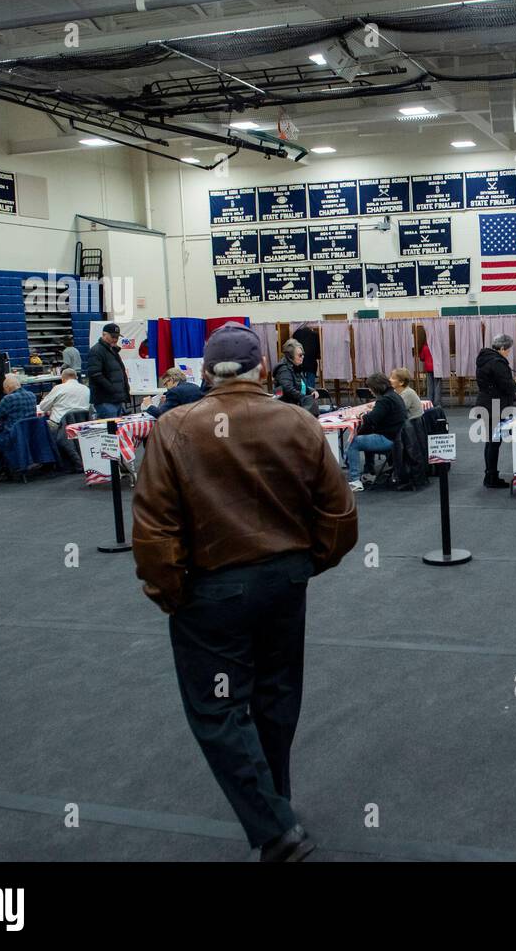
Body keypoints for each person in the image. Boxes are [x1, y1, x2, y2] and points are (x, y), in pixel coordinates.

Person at [132, 322, 358, 862]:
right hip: (283, 583)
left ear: (206, 373)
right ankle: (277, 807)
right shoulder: (299, 422)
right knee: (276, 698)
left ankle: (275, 829)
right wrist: (305, 564)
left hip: (211, 590)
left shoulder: (175, 427)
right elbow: (340, 511)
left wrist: (171, 592)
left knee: (218, 708)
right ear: (262, 369)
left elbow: (154, 526)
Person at [345, 372, 405, 492]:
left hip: (388, 439)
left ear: (376, 388)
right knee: (366, 435)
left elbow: (370, 419)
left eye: (371, 388)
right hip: (398, 437)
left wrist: (361, 415)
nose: (370, 390)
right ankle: (368, 472)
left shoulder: (384, 400)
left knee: (353, 442)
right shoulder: (394, 395)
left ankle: (355, 480)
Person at [476, 333, 516, 489]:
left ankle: (490, 474)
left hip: (486, 403)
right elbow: (507, 386)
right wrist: (515, 385)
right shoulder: (497, 362)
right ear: (501, 348)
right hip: (496, 405)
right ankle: (491, 477)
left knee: (491, 442)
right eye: (507, 350)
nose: (508, 353)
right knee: (494, 442)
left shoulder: (484, 359)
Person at [85, 323, 130, 419]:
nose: (115, 339)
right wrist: (112, 388)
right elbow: (95, 374)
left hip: (115, 400)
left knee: (115, 431)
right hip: (105, 400)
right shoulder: (96, 351)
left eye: (117, 337)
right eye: (113, 336)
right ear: (104, 334)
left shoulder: (113, 351)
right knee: (110, 431)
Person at [273, 339, 319, 410]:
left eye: (303, 354)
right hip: (288, 410)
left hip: (296, 407)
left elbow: (301, 386)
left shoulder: (295, 367)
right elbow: (288, 389)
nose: (303, 357)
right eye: (300, 355)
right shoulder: (284, 369)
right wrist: (304, 398)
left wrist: (312, 391)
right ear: (290, 357)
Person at [289, 322, 321, 391]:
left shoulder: (296, 334)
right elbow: (318, 351)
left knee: (301, 383)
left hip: (299, 362)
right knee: (310, 384)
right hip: (311, 363)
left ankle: (302, 397)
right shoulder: (316, 335)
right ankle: (310, 396)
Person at [420, 339, 440, 406]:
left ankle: (430, 402)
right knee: (437, 385)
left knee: (430, 385)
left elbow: (422, 358)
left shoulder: (425, 347)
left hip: (428, 368)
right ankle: (437, 402)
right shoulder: (438, 346)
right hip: (437, 367)